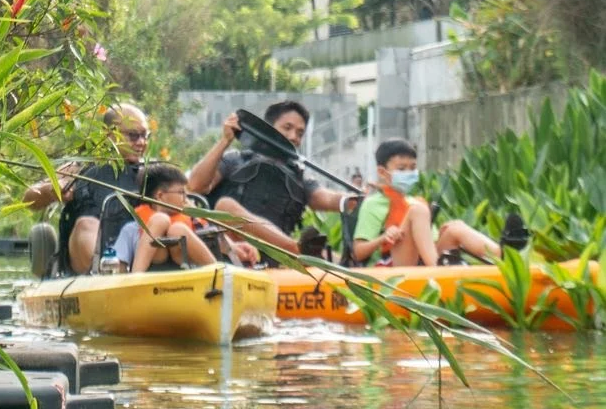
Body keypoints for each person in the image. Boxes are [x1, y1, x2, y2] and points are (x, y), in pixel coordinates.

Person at [186, 100, 344, 256]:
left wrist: (355, 200)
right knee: (224, 206)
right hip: (231, 253)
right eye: (287, 128)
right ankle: (294, 250)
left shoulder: (299, 177)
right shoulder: (235, 160)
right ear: (269, 128)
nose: (293, 136)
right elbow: (194, 186)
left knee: (334, 258)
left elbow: (325, 198)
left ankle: (295, 252)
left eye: (300, 133)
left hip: (273, 259)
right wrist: (225, 141)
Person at [23, 102, 148, 275]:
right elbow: (28, 198)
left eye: (145, 135)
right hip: (88, 255)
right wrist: (52, 190)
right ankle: (106, 273)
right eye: (133, 136)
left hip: (136, 251)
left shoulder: (152, 173)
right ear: (109, 135)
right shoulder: (79, 167)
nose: (141, 142)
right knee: (86, 224)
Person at [351, 138, 517, 266]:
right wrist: (383, 238)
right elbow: (358, 252)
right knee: (418, 210)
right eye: (401, 169)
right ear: (382, 171)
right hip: (394, 267)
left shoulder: (414, 201)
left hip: (423, 261)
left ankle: (503, 254)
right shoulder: (373, 204)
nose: (409, 173)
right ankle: (436, 270)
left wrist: (444, 234)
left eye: (412, 168)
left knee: (454, 228)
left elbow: (431, 242)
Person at [111, 162, 259, 273]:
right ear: (160, 196)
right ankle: (136, 277)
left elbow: (213, 240)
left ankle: (220, 274)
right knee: (160, 220)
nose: (186, 198)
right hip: (150, 281)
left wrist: (234, 247)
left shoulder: (191, 222)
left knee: (177, 229)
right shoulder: (131, 230)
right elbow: (120, 264)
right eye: (181, 193)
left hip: (191, 280)